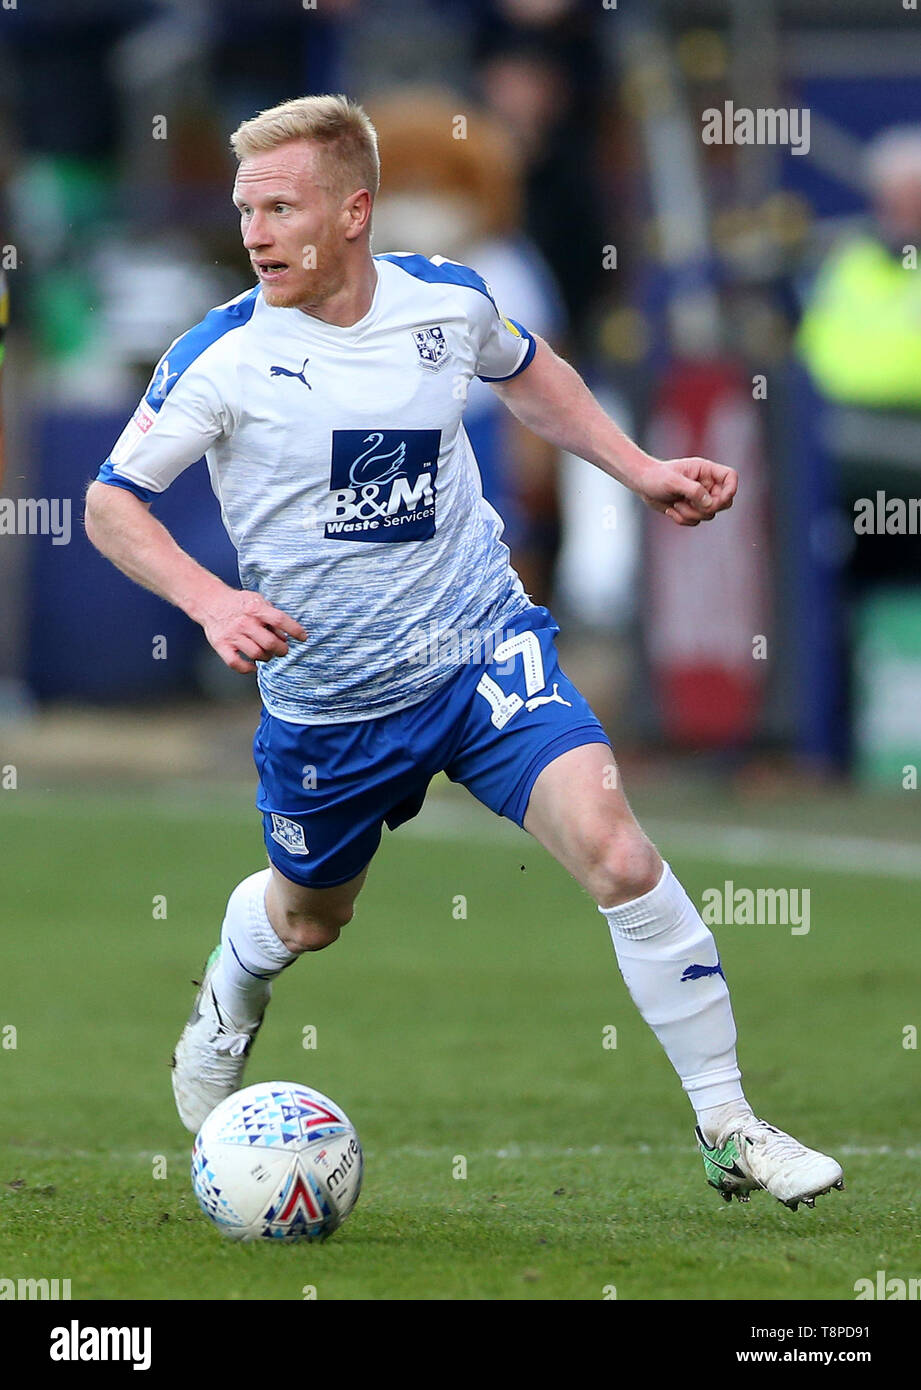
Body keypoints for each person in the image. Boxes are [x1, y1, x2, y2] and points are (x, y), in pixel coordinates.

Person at [84, 95, 843, 1211]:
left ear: (355, 211)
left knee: (620, 854)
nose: (254, 232)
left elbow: (525, 366)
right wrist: (207, 600)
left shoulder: (447, 299)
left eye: (280, 207)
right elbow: (112, 504)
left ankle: (731, 1124)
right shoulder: (223, 356)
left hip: (480, 650)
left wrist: (638, 471)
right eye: (247, 209)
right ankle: (228, 1003)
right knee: (310, 918)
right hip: (332, 703)